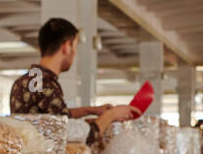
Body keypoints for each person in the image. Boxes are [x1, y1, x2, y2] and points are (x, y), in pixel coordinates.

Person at [9, 18, 140, 130]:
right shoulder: (47, 86)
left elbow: (56, 116)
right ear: (66, 46)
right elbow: (69, 135)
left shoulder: (23, 82)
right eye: (75, 47)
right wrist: (112, 115)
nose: (74, 53)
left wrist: (90, 110)